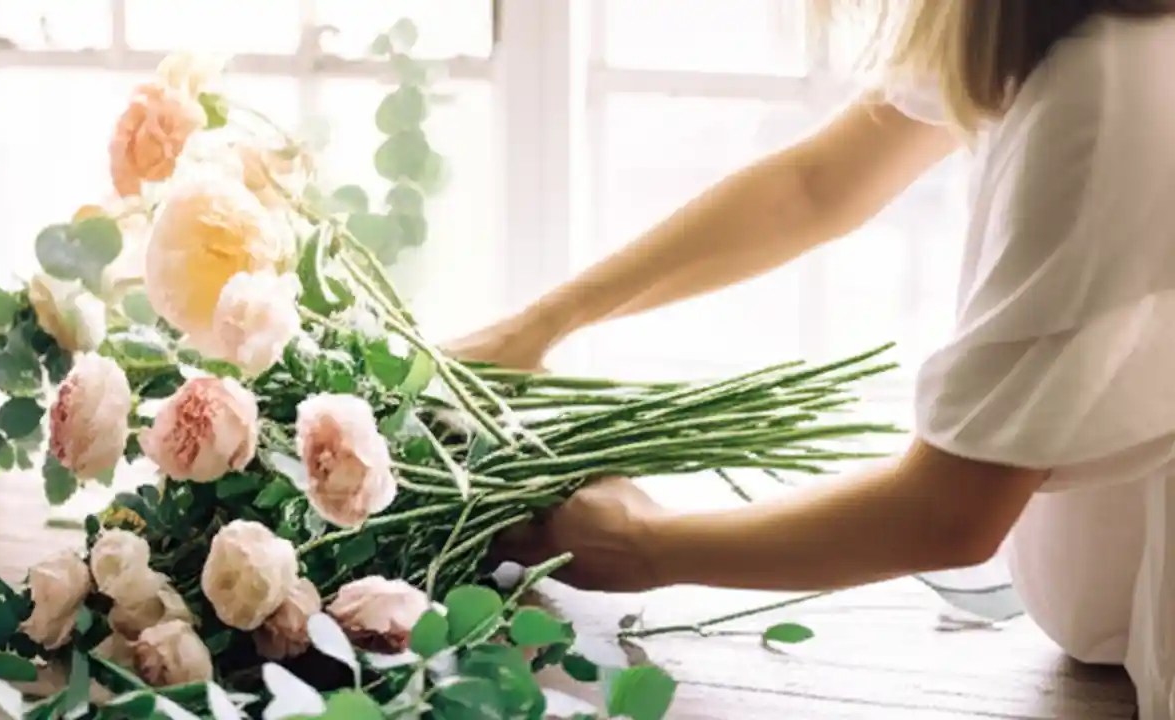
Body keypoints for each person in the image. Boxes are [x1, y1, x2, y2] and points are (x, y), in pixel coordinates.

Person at [448, 1, 1175, 716]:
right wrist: (537, 326)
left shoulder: (1108, 87)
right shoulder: (1025, 19)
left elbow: (948, 514)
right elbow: (816, 186)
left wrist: (646, 547)